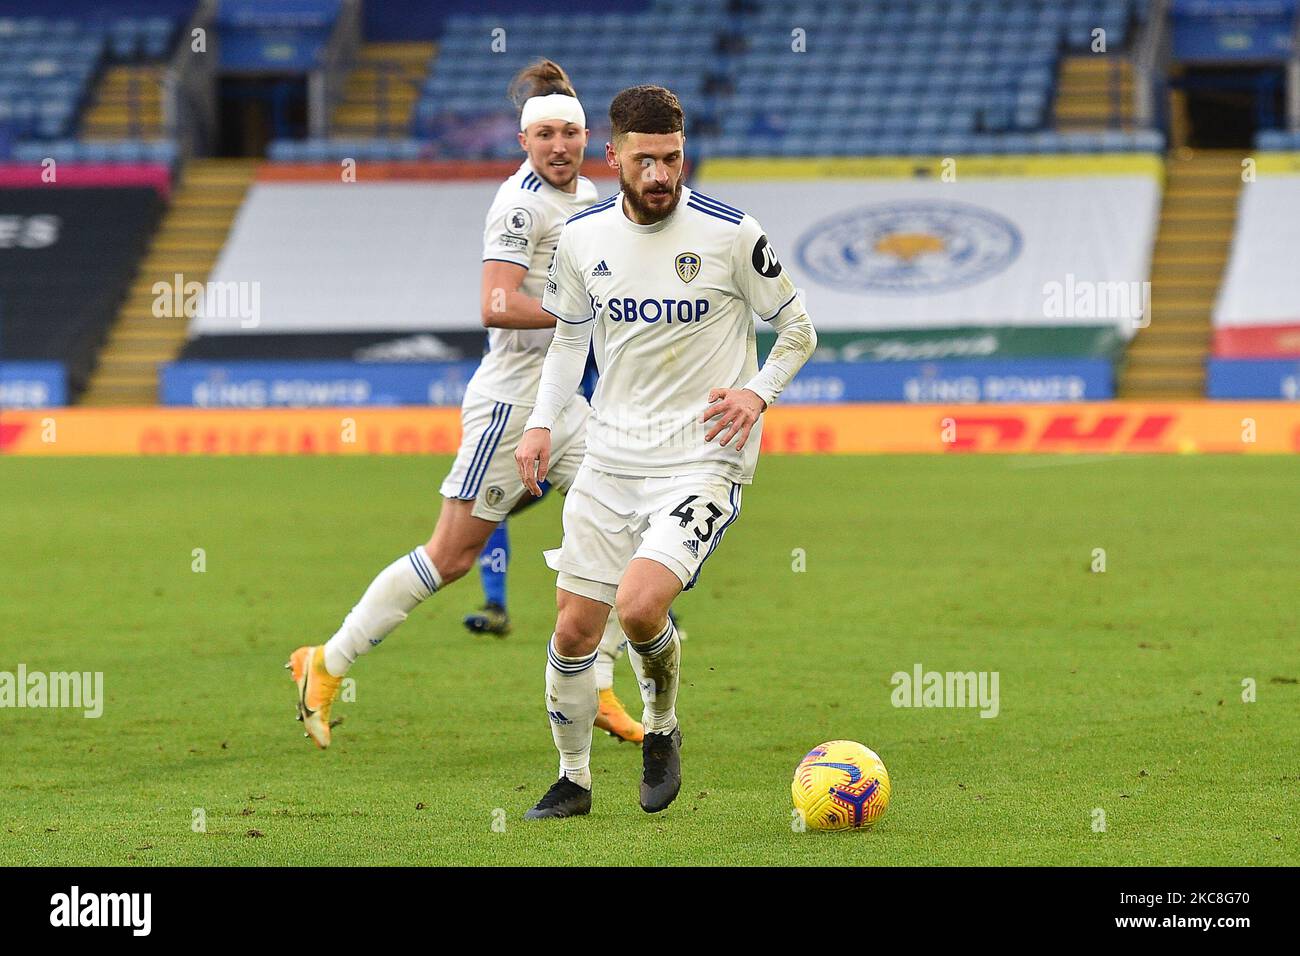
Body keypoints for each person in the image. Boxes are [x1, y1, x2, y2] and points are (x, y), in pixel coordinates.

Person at [287, 60, 643, 748]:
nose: (559, 146)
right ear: (524, 142)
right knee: (450, 557)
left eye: (569, 133)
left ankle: (596, 686)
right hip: (511, 405)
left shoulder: (588, 194)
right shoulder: (520, 205)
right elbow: (496, 302)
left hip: (564, 401)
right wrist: (584, 312)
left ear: (586, 137)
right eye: (545, 135)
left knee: (628, 519)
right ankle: (326, 663)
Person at [515, 85, 817, 818]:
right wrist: (541, 422)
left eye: (672, 159)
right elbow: (568, 341)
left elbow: (798, 330)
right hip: (610, 457)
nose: (660, 175)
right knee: (572, 629)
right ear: (613, 156)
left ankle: (661, 725)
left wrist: (756, 394)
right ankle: (573, 780)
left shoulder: (731, 233)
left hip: (702, 459)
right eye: (644, 160)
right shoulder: (582, 238)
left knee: (640, 606)